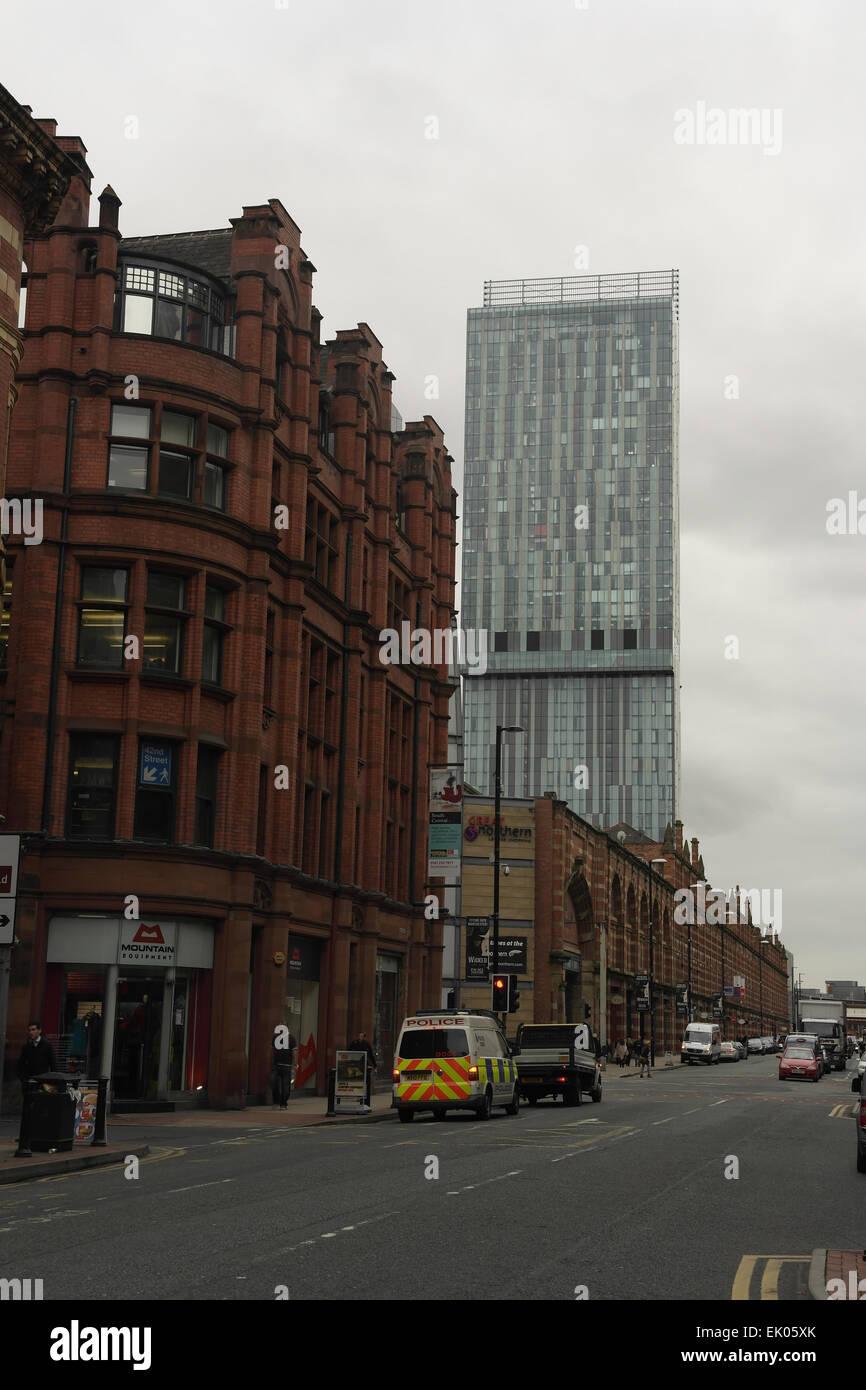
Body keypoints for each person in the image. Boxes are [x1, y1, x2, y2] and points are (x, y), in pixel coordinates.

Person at [17, 1020, 56, 1086]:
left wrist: (52, 1081)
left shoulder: (47, 1045)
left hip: (43, 1080)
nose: (31, 1032)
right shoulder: (26, 1046)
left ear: (39, 1031)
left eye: (33, 1030)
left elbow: (53, 1063)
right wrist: (23, 1079)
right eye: (29, 1030)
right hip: (29, 1081)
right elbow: (21, 1064)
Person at [271, 1026, 297, 1108]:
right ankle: (276, 1101)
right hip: (276, 1065)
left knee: (285, 1085)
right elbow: (272, 1050)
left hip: (287, 1065)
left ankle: (283, 1103)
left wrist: (295, 1064)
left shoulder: (291, 1038)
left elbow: (294, 1052)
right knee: (273, 1082)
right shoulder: (275, 1038)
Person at [348, 1030, 377, 1098]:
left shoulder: (367, 1044)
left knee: (363, 1080)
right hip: (355, 1064)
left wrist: (375, 1065)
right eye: (359, 1036)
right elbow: (348, 1051)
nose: (360, 1037)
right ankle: (354, 1093)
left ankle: (362, 1094)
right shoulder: (354, 1043)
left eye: (362, 1036)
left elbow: (371, 1055)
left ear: (364, 1037)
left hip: (363, 1064)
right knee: (355, 1079)